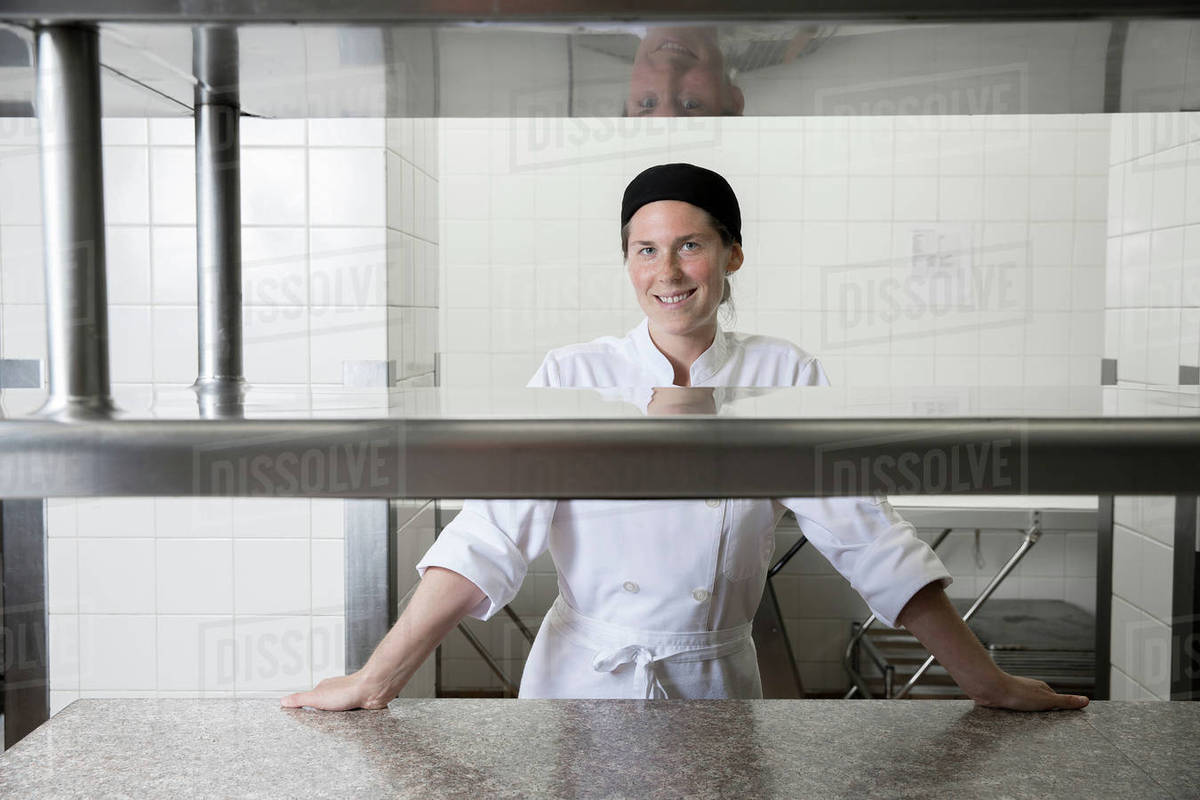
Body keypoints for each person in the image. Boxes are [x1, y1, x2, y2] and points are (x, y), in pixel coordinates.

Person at [281, 163, 1090, 711]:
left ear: (732, 254)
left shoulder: (782, 373)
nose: (666, 271)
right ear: (627, 262)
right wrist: (375, 681)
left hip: (719, 683)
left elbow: (867, 536)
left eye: (690, 245)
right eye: (645, 249)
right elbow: (488, 536)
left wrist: (984, 682)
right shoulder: (575, 374)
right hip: (577, 686)